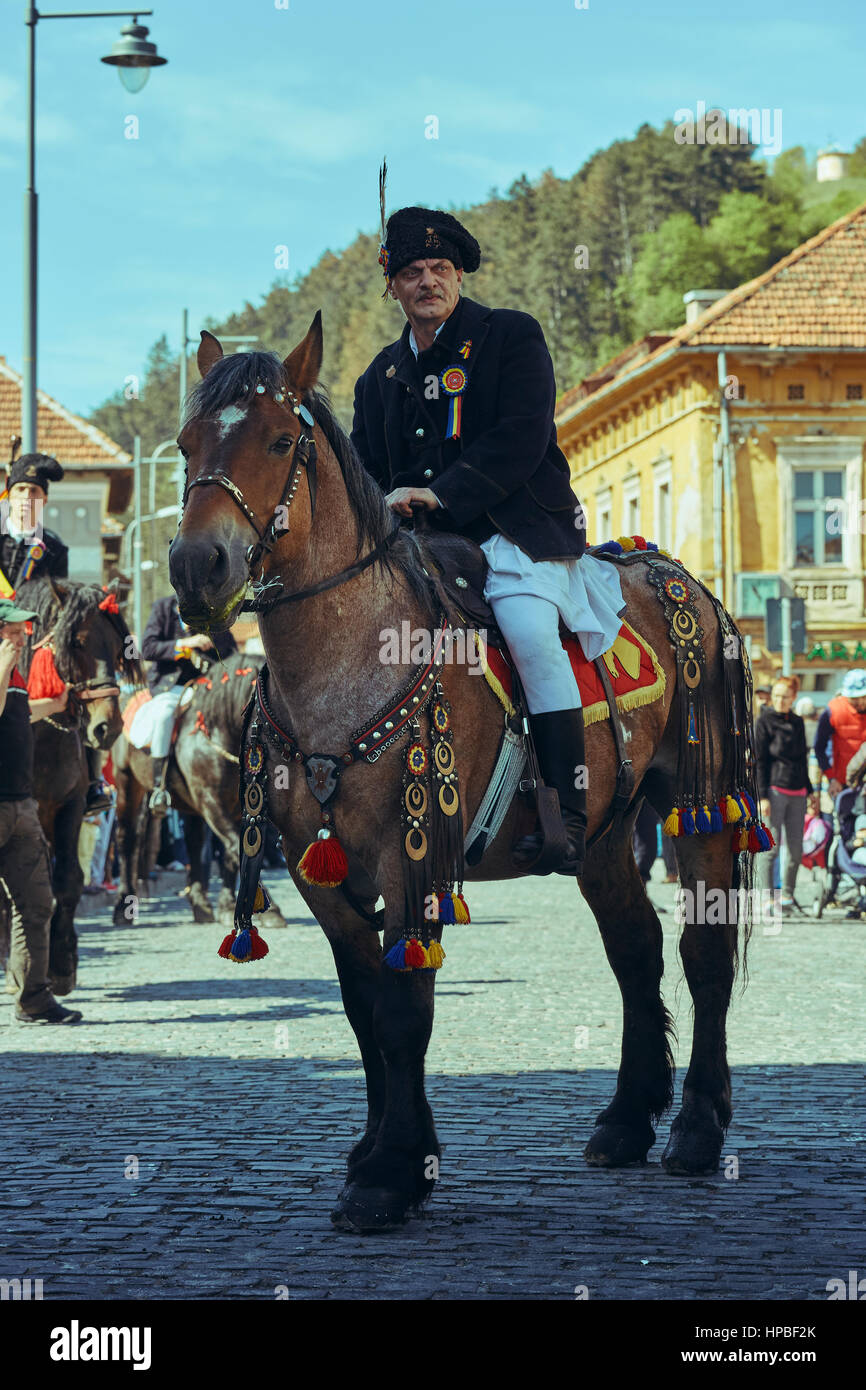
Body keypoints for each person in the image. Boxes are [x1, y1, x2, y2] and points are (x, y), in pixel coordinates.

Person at [351, 202, 625, 875]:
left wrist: (441, 494)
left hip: (513, 536)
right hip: (417, 551)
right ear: (392, 285)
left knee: (529, 634)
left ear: (459, 276)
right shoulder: (377, 378)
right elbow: (363, 470)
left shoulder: (509, 336)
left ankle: (567, 811)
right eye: (412, 271)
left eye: (440, 268)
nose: (428, 281)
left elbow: (521, 439)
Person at [0, 450, 111, 816]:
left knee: (80, 686)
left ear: (44, 501)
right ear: (9, 496)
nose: (27, 500)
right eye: (21, 492)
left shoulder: (55, 547)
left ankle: (93, 782)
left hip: (37, 638)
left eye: (35, 494)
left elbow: (60, 601)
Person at [0, 595, 82, 1023]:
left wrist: (54, 703)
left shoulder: (14, 677)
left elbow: (16, 713)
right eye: (12, 629)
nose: (21, 635)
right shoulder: (4, 670)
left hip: (20, 806)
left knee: (36, 904)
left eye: (22, 629)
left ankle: (33, 997)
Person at [140, 595, 237, 814]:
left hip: (205, 687)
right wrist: (185, 644)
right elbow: (148, 648)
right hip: (170, 687)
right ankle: (159, 788)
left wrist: (213, 645)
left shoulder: (214, 611)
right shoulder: (163, 607)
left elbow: (231, 654)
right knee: (165, 715)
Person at [755, 678, 814, 909]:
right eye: (777, 695)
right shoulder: (764, 721)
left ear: (793, 698)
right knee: (772, 848)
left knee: (796, 849)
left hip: (798, 791)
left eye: (785, 696)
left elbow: (802, 759)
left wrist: (810, 791)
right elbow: (759, 761)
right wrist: (762, 796)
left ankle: (787, 896)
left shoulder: (798, 722)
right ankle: (768, 897)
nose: (780, 700)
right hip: (775, 790)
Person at [813, 668, 866, 799]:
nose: (861, 702)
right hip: (841, 783)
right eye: (855, 698)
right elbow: (819, 747)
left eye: (864, 696)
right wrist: (832, 778)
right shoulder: (833, 711)